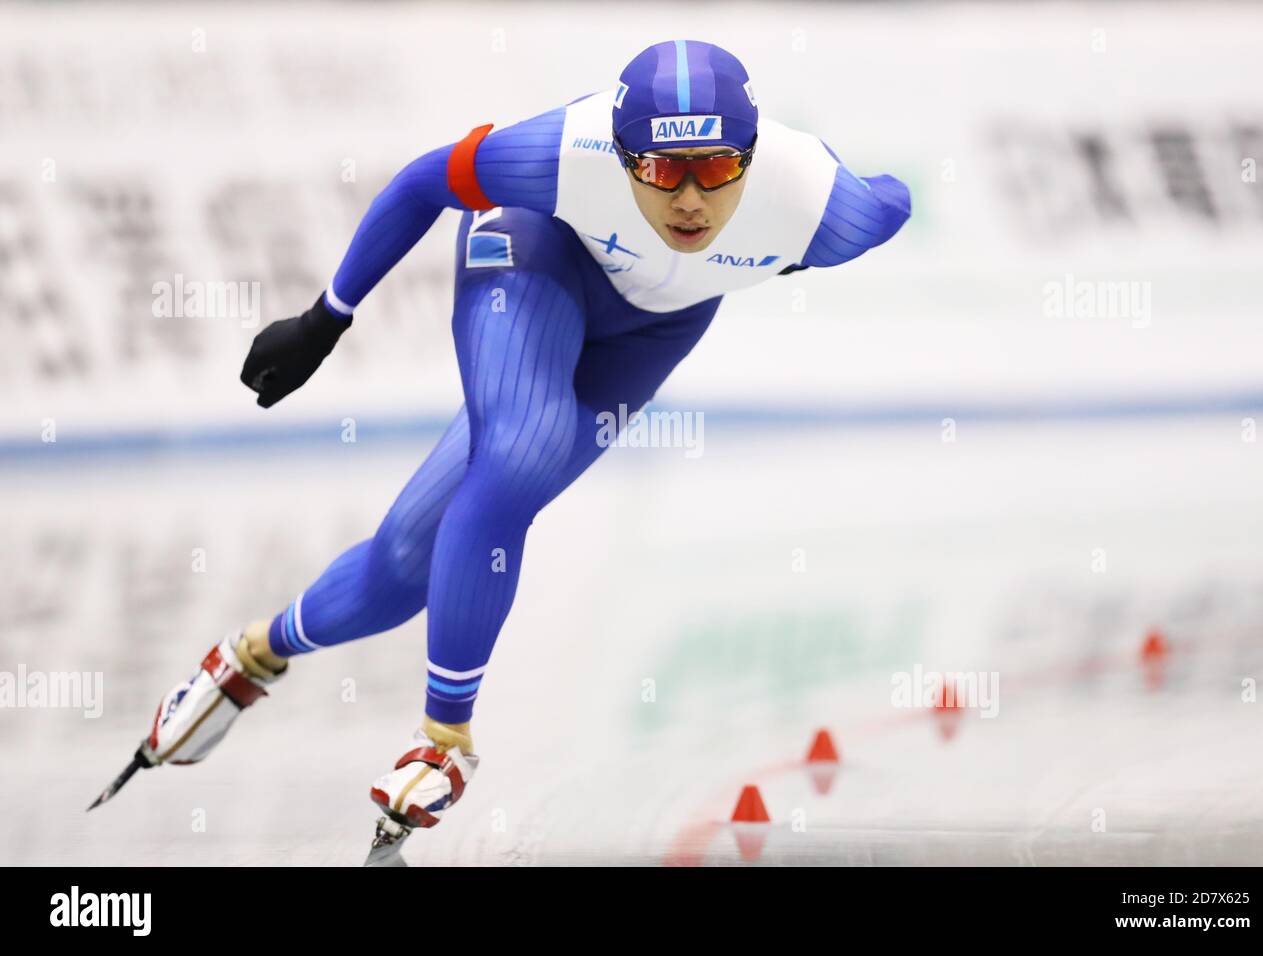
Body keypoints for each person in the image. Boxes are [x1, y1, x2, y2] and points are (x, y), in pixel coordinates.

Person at [133, 39, 910, 848]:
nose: (687, 199)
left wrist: (786, 253)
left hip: (652, 330)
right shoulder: (563, 155)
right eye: (657, 169)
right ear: (619, 156)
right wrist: (326, 317)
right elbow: (422, 183)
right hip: (538, 249)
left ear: (751, 158)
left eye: (714, 170)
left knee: (406, 565)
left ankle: (252, 656)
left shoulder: (825, 206)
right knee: (522, 451)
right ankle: (444, 743)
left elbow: (898, 198)